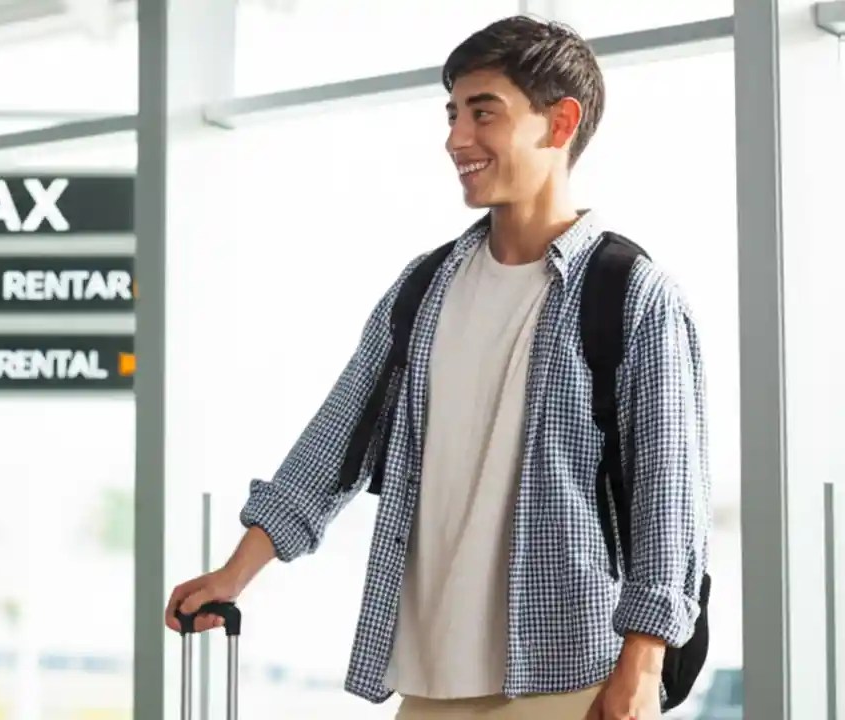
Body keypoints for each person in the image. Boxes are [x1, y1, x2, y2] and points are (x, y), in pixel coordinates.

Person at [163, 14, 712, 720]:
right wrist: (233, 576)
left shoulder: (632, 292)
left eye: (484, 113)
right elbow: (334, 444)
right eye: (453, 114)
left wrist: (642, 665)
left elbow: (670, 498)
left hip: (570, 674)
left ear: (560, 122)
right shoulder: (425, 287)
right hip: (429, 674)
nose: (457, 139)